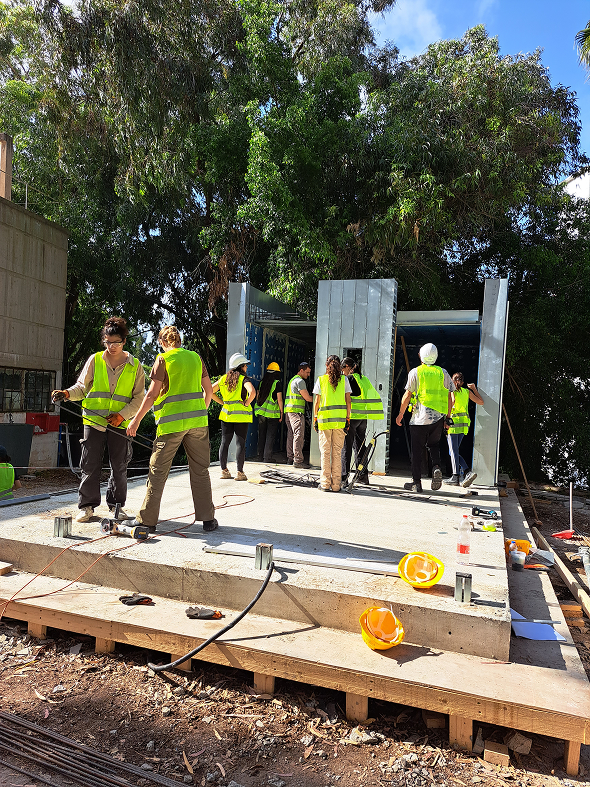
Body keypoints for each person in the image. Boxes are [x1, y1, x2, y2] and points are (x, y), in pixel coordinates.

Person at [51, 316, 145, 523]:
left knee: (119, 465)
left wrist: (122, 415)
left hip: (120, 423)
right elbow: (81, 387)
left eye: (116, 342)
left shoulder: (135, 366)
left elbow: (140, 397)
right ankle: (86, 507)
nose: (112, 346)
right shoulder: (95, 360)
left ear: (124, 341)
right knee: (89, 464)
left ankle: (116, 506)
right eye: (108, 342)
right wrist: (66, 394)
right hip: (94, 422)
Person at [126, 325, 218, 533]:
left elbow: (152, 394)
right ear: (179, 341)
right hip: (198, 423)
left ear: (162, 342)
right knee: (200, 470)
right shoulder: (196, 358)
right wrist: (200, 411)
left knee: (158, 471)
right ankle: (208, 519)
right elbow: (209, 390)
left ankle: (147, 520)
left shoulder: (163, 360)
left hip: (171, 425)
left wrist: (136, 420)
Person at [395, 343, 455, 494]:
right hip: (438, 418)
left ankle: (417, 483)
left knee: (417, 450)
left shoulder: (416, 372)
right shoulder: (443, 373)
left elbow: (407, 395)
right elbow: (450, 397)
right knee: (434, 445)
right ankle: (436, 467)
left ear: (421, 356)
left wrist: (401, 414)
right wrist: (448, 418)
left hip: (419, 418)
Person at [211, 353, 256, 481]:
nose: (246, 367)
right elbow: (252, 392)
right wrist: (246, 403)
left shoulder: (223, 379)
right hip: (241, 417)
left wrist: (222, 402)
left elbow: (209, 391)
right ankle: (240, 473)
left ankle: (224, 471)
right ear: (241, 366)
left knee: (224, 443)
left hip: (226, 416)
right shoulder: (243, 379)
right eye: (245, 365)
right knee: (240, 443)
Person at [341, 357, 384, 485]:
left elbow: (346, 398)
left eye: (343, 369)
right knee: (360, 447)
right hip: (362, 418)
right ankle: (363, 476)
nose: (342, 372)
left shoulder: (349, 379)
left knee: (346, 447)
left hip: (352, 417)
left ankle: (344, 477)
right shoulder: (364, 379)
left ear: (347, 367)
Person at [313, 355, 352, 492]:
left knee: (325, 453)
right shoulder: (345, 380)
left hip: (324, 422)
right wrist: (348, 418)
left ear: (326, 365)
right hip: (340, 422)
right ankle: (336, 485)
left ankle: (325, 484)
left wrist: (315, 418)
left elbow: (317, 402)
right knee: (337, 453)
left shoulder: (321, 380)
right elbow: (348, 401)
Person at [445, 372, 484, 487]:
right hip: (463, 425)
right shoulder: (467, 392)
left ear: (452, 381)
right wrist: (474, 389)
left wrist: (447, 420)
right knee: (453, 452)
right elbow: (481, 402)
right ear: (462, 382)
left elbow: (451, 404)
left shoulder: (451, 392)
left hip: (453, 425)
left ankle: (456, 476)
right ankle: (467, 472)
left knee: (453, 452)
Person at [284, 362, 313, 468]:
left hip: (289, 411)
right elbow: (308, 398)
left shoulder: (292, 380)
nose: (308, 375)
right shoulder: (300, 381)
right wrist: (319, 399)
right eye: (307, 372)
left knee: (291, 435)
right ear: (301, 370)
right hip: (296, 413)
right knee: (298, 435)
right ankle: (298, 460)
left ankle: (290, 458)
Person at [255, 362, 284, 463]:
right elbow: (279, 400)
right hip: (272, 414)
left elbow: (257, 397)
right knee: (270, 436)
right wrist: (281, 413)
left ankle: (260, 456)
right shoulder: (277, 383)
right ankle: (267, 458)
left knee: (262, 435)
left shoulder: (261, 383)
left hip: (261, 413)